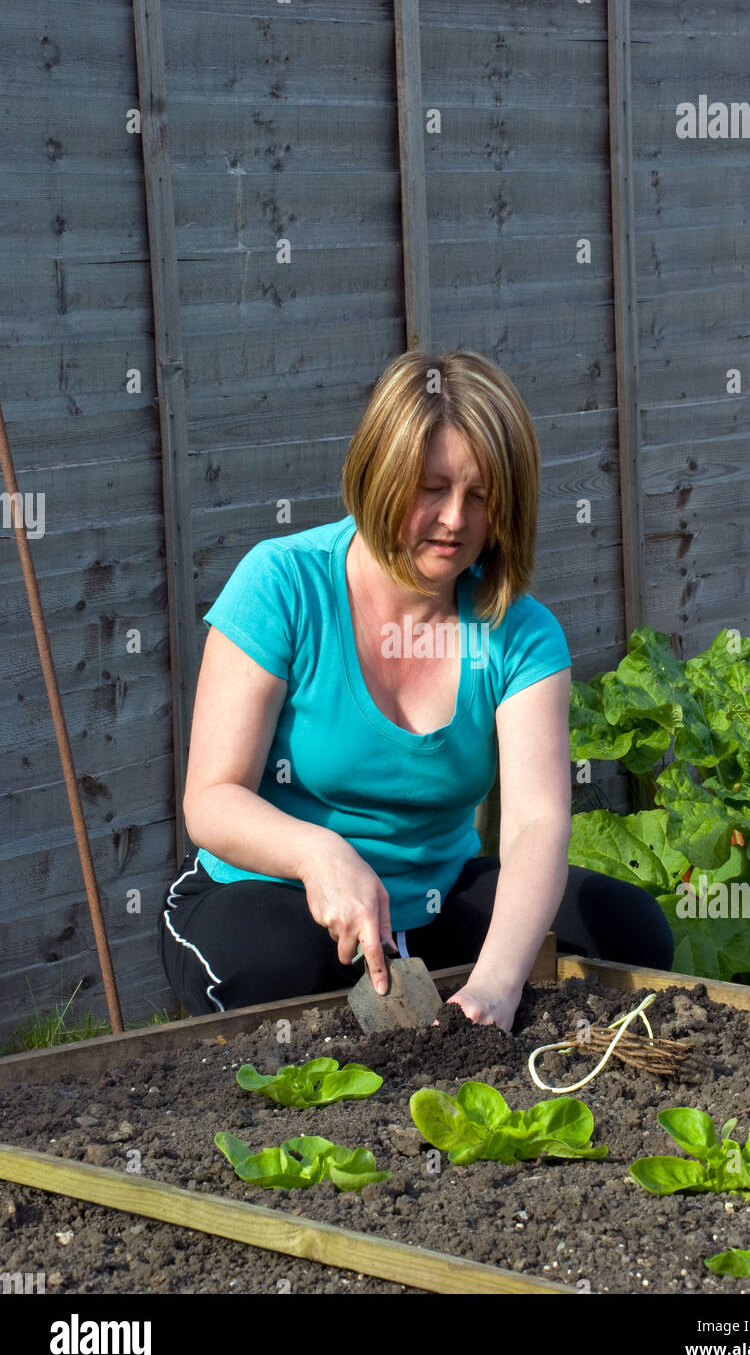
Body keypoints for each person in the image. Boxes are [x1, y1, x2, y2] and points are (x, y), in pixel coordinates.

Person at [158, 349, 673, 1032]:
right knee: (282, 967)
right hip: (268, 896)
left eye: (481, 496)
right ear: (380, 473)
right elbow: (212, 801)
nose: (455, 520)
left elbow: (534, 824)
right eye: (432, 488)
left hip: (425, 907)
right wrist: (322, 854)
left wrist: (494, 985)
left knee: (628, 930)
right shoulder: (282, 585)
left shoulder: (519, 634)